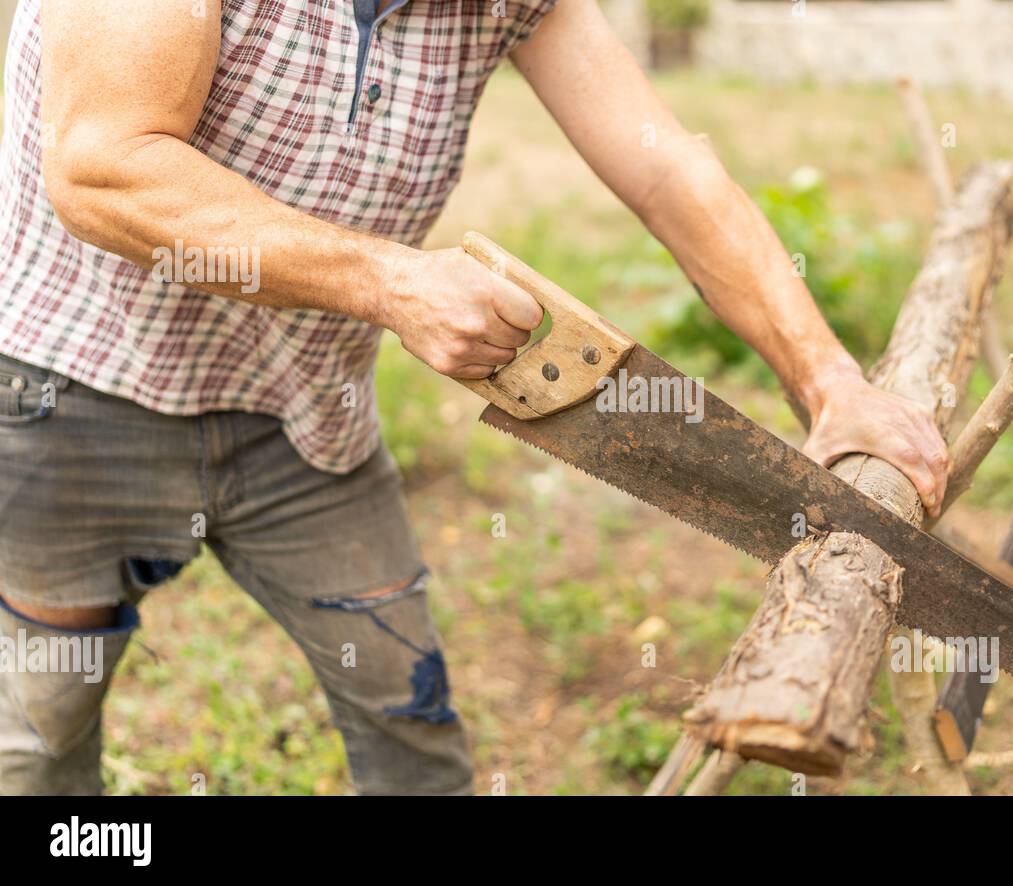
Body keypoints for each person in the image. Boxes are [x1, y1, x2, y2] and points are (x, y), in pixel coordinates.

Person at [0, 0, 948, 795]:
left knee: (406, 714)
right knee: (42, 732)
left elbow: (668, 168)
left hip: (304, 413)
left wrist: (829, 382)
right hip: (72, 392)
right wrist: (391, 282)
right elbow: (106, 165)